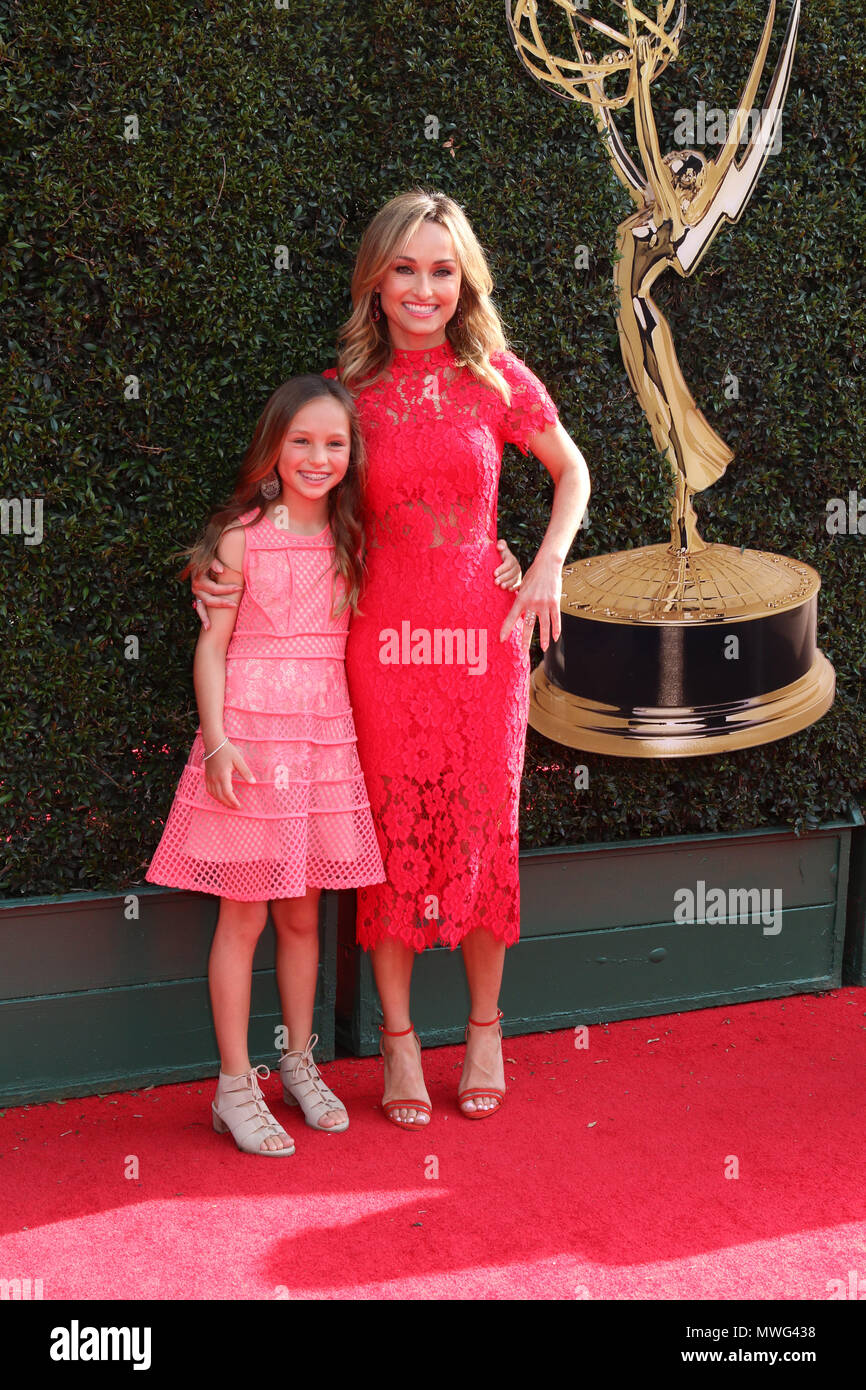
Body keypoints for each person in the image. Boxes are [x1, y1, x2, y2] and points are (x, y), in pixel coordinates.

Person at [194, 188, 590, 1128]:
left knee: (484, 829)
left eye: (442, 271)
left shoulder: (497, 378)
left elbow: (571, 471)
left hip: (482, 648)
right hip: (375, 648)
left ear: (466, 280)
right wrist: (222, 566)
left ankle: (487, 1030)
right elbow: (297, 496)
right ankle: (401, 1042)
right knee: (388, 840)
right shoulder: (347, 391)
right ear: (376, 281)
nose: (424, 289)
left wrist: (541, 568)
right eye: (405, 270)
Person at [146, 374, 388, 1155]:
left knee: (301, 913)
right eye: (301, 442)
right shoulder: (240, 537)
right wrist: (217, 741)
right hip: (250, 743)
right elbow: (209, 647)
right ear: (273, 449)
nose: (318, 457)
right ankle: (231, 1084)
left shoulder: (355, 536)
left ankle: (297, 1061)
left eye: (334, 443)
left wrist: (511, 562)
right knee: (244, 912)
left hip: (322, 741)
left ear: (352, 455)